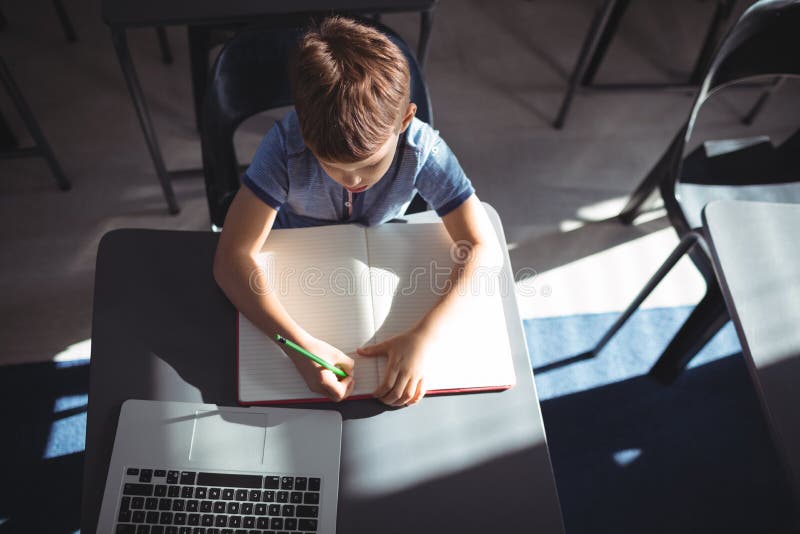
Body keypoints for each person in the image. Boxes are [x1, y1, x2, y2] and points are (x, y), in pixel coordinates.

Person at [213, 16, 501, 407]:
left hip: (380, 252)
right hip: (295, 255)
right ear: (305, 130)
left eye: (369, 165)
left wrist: (427, 336)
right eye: (331, 165)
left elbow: (483, 246)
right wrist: (296, 345)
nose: (352, 181)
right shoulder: (285, 146)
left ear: (405, 120)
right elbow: (231, 259)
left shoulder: (423, 149)